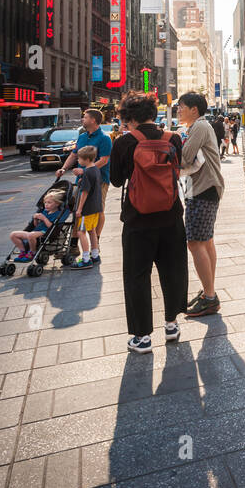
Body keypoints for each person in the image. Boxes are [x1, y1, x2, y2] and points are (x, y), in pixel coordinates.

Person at [110, 91, 188, 354]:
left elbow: (116, 180)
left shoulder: (124, 143)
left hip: (137, 220)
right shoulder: (173, 138)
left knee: (137, 276)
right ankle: (172, 325)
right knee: (173, 270)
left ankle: (142, 337)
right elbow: (180, 169)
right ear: (154, 115)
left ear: (128, 117)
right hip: (171, 216)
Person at [178, 92, 224, 318]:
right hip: (206, 188)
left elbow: (184, 158)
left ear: (194, 109)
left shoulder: (199, 127)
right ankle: (209, 292)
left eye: (181, 107)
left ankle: (209, 298)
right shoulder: (198, 127)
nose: (178, 110)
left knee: (195, 242)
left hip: (204, 189)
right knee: (205, 242)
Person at [57, 108, 113, 251]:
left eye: (85, 117)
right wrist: (63, 169)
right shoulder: (82, 137)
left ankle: (96, 242)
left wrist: (86, 170)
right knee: (77, 210)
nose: (83, 119)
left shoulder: (104, 138)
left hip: (99, 180)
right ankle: (74, 245)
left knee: (98, 210)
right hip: (81, 180)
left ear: (93, 120)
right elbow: (74, 155)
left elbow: (104, 160)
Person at [71, 146, 103, 270]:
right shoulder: (95, 169)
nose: (78, 160)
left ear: (86, 159)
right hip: (96, 207)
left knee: (81, 232)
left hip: (87, 209)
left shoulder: (87, 173)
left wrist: (79, 209)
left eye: (79, 158)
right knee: (92, 230)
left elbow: (85, 193)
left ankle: (85, 259)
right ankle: (95, 255)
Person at [10, 191, 65, 263]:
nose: (46, 205)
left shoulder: (57, 214)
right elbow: (36, 225)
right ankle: (23, 252)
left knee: (31, 235)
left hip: (45, 232)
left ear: (57, 204)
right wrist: (35, 219)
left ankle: (32, 252)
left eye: (49, 203)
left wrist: (44, 219)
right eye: (45, 202)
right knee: (13, 235)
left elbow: (52, 227)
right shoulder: (44, 211)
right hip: (36, 231)